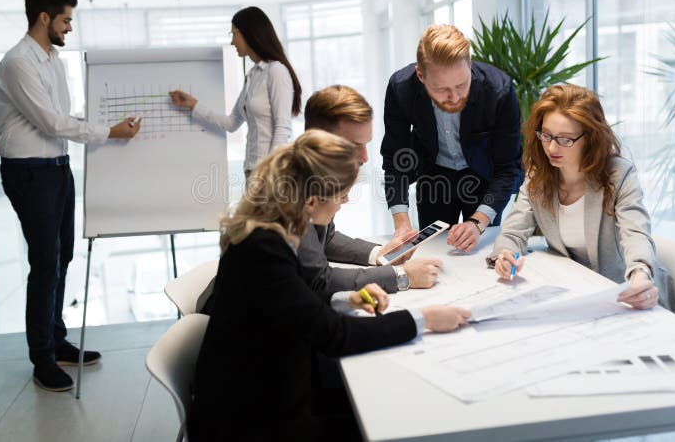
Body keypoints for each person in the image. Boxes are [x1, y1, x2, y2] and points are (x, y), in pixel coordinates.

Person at [189, 130, 471, 441]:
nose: (343, 203)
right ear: (311, 201)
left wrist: (346, 300)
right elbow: (335, 336)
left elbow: (291, 304)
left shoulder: (269, 229)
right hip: (253, 420)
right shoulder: (265, 249)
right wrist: (424, 319)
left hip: (259, 393)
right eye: (341, 195)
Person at [0, 0, 140, 392]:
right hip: (28, 171)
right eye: (66, 19)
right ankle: (41, 358)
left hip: (57, 165)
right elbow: (50, 122)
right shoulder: (17, 62)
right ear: (44, 18)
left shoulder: (53, 59)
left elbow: (63, 115)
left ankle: (56, 341)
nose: (69, 28)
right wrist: (108, 132)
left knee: (63, 257)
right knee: (45, 263)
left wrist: (103, 122)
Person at [489, 84, 673, 311]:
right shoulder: (539, 175)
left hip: (623, 291)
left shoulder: (618, 174)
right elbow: (513, 231)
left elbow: (635, 232)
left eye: (565, 139)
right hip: (573, 290)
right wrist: (505, 256)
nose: (552, 147)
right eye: (546, 135)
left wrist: (640, 274)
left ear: (590, 138)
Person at [381, 24, 523, 254]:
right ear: (420, 76)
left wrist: (478, 222)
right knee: (433, 252)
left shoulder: (499, 90)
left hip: (483, 179)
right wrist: (401, 224)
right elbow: (395, 158)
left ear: (469, 64)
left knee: (478, 254)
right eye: (440, 89)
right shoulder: (401, 89)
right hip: (433, 177)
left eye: (461, 85)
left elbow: (509, 167)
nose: (454, 97)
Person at [299, 85, 442, 294]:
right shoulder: (291, 191)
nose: (365, 157)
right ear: (320, 139)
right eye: (355, 145)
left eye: (366, 144)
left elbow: (324, 238)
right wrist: (401, 276)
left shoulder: (313, 172)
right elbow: (319, 280)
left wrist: (379, 254)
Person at [169, 6, 301, 176]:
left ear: (249, 32)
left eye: (234, 34)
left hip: (269, 173)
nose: (232, 42)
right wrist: (193, 105)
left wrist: (271, 171)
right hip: (251, 170)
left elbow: (282, 128)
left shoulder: (276, 71)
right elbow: (232, 123)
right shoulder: (253, 75)